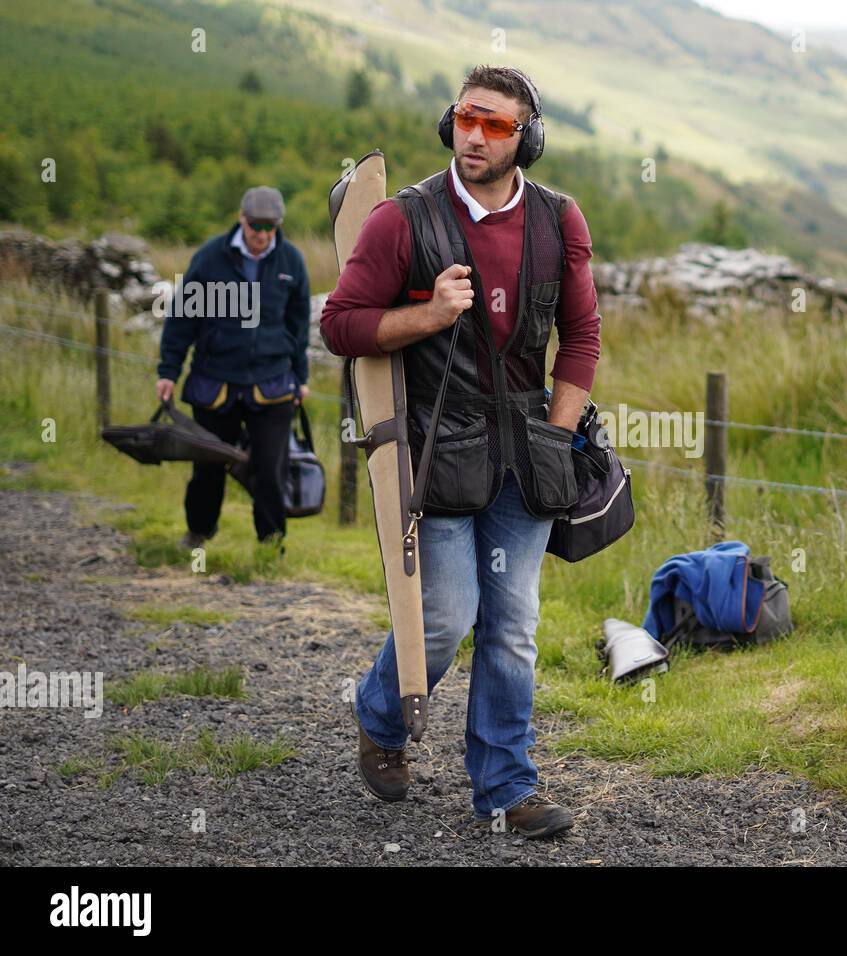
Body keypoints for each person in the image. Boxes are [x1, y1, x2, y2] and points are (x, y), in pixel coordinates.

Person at [320, 65, 601, 838]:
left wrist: (561, 429)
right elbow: (341, 325)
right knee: (445, 617)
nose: (476, 135)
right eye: (467, 118)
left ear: (528, 140)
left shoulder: (558, 220)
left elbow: (581, 338)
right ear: (451, 122)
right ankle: (380, 717)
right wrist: (428, 315)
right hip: (436, 450)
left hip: (529, 454)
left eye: (497, 125)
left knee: (512, 627)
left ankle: (508, 788)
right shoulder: (400, 220)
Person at [156, 186, 312, 554]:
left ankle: (270, 546)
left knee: (271, 471)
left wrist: (300, 378)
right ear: (242, 220)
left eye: (270, 228)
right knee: (208, 468)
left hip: (272, 386)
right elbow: (182, 318)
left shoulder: (291, 262)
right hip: (214, 382)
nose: (262, 235)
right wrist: (168, 370)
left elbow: (298, 327)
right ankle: (198, 535)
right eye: (256, 226)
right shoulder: (210, 257)